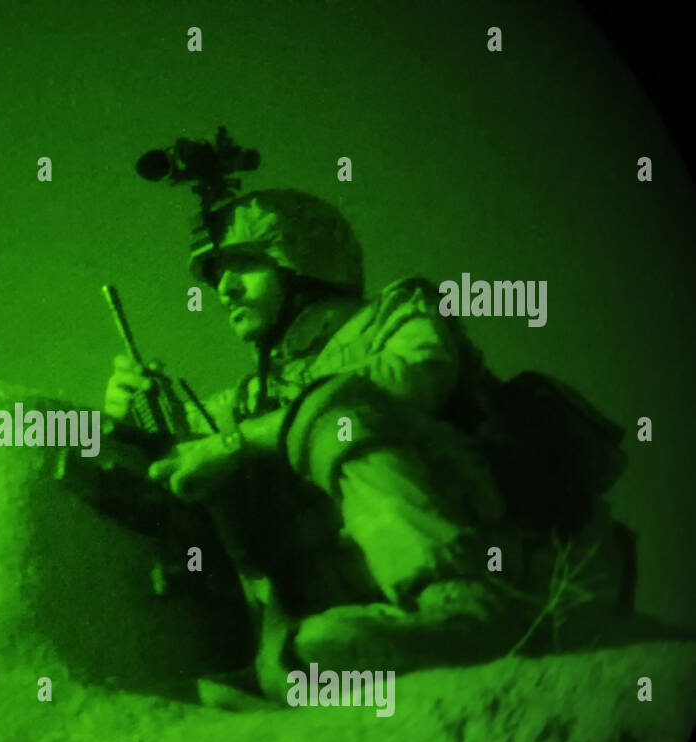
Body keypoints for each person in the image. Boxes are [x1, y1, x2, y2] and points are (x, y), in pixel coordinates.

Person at [103, 189, 631, 705]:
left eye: (244, 266)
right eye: (217, 276)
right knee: (209, 491)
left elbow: (413, 377)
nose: (225, 289)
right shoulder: (253, 396)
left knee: (336, 413)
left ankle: (465, 603)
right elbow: (184, 456)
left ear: (302, 264)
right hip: (348, 606)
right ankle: (292, 661)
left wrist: (242, 440)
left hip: (502, 560)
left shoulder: (397, 313)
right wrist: (134, 414)